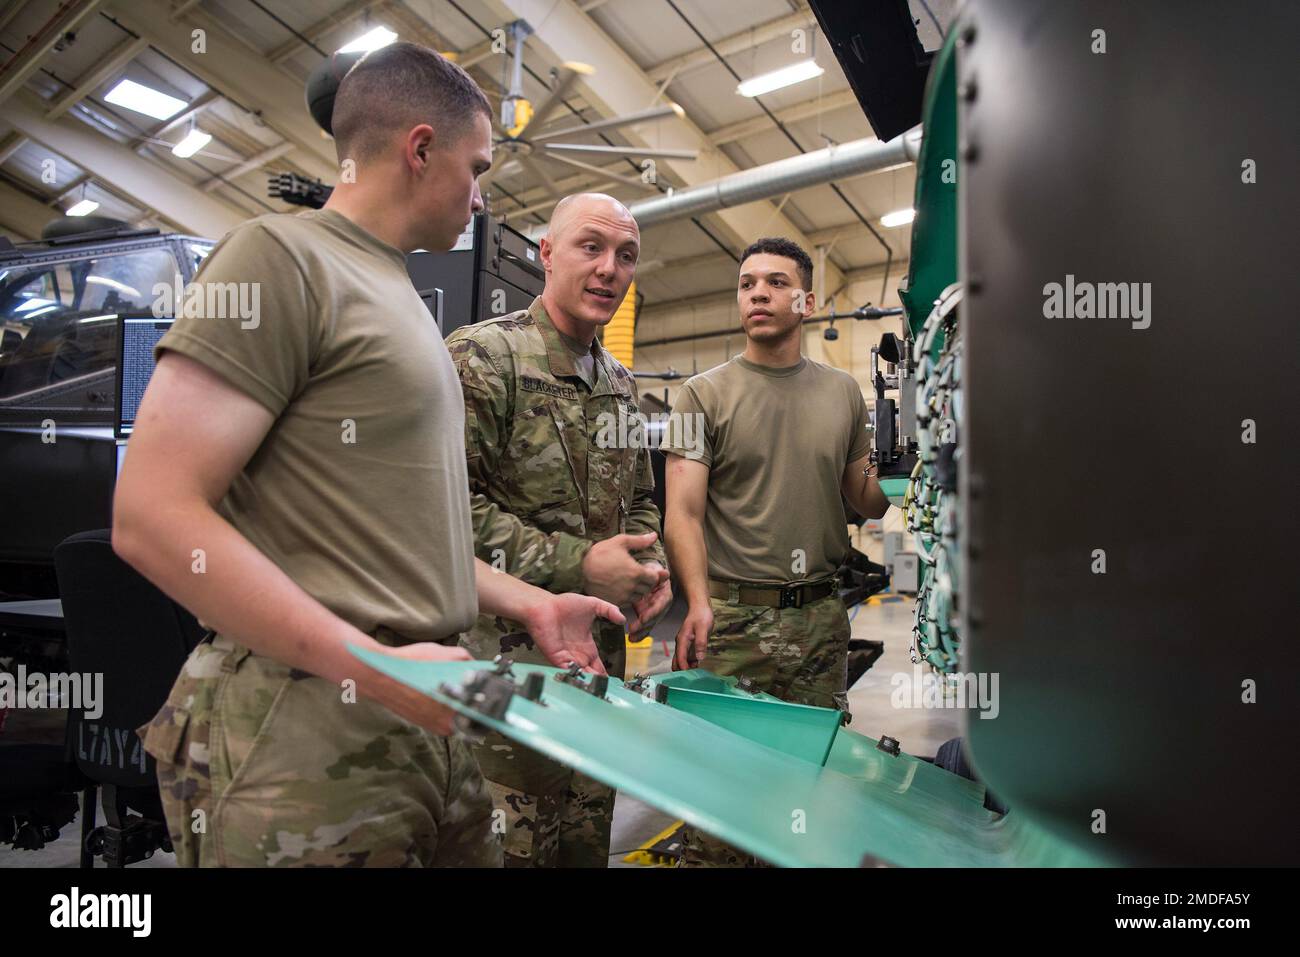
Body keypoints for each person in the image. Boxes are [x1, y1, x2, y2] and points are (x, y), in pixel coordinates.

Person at [113, 42, 620, 868]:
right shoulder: (280, 258)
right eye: (477, 167)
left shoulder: (402, 297)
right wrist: (372, 666)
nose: (481, 194)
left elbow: (392, 533)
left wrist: (527, 600)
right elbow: (151, 515)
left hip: (423, 711)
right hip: (306, 728)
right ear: (420, 149)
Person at [445, 193, 672, 867]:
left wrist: (647, 567)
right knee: (512, 851)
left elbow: (641, 500)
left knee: (581, 844)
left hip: (596, 671)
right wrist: (581, 564)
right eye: (590, 247)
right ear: (546, 253)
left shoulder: (622, 386)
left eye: (625, 256)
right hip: (505, 675)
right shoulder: (484, 357)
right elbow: (448, 513)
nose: (609, 269)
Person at [661, 236, 890, 866]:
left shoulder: (842, 394)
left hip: (820, 620)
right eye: (746, 283)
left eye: (774, 281)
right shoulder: (701, 395)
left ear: (807, 300)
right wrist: (698, 604)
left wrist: (905, 461)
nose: (757, 292)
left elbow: (866, 501)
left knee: (807, 797)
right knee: (721, 805)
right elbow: (682, 511)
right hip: (734, 622)